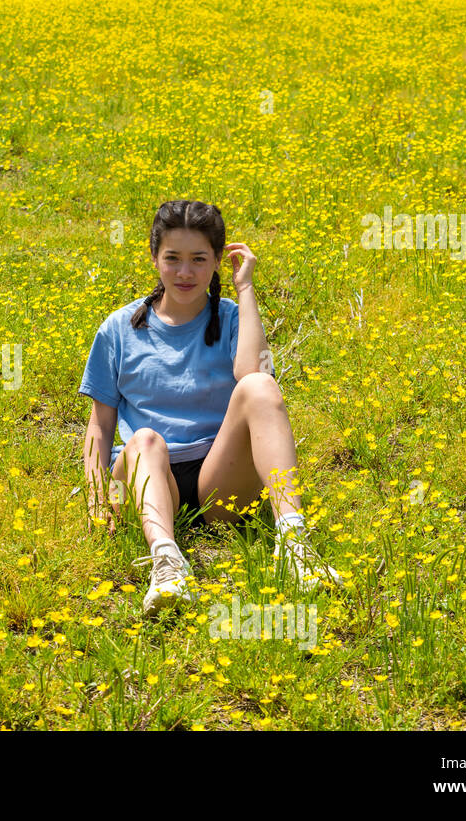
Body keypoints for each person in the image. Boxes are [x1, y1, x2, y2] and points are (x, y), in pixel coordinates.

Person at [79, 199, 342, 617]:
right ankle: (166, 566)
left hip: (217, 482)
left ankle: (295, 547)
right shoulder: (118, 328)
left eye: (199, 259)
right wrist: (96, 500)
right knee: (146, 439)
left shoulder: (233, 316)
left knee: (260, 385)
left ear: (219, 261)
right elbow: (100, 426)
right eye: (173, 259)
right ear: (154, 259)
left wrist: (247, 289)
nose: (185, 273)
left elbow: (250, 374)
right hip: (147, 474)